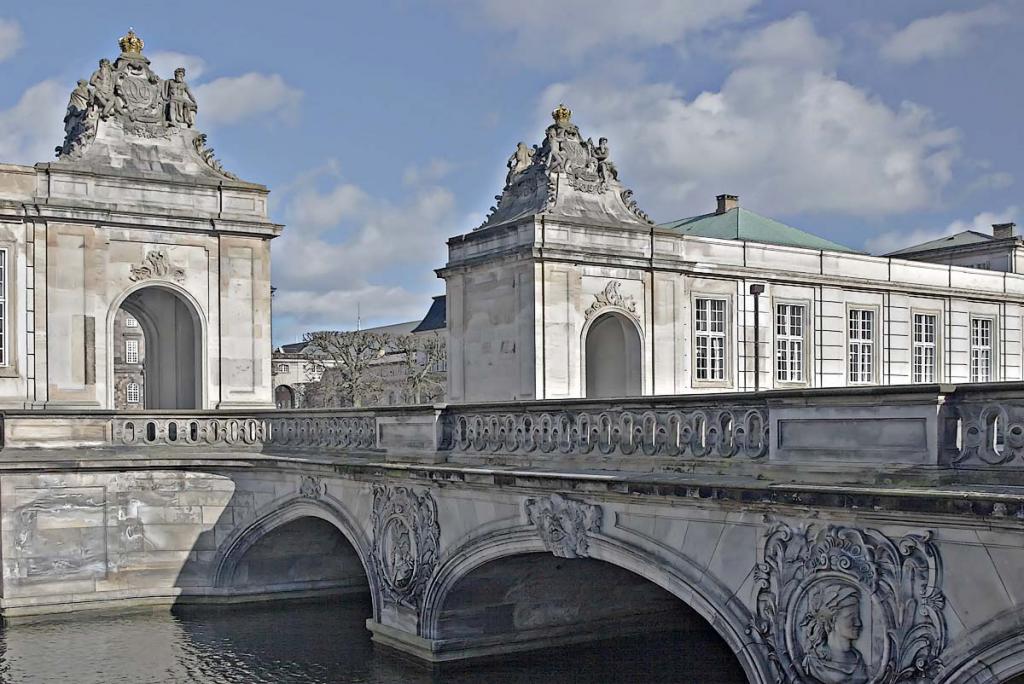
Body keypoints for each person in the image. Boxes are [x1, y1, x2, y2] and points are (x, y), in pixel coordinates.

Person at [800, 584, 869, 684]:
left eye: (858, 617)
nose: (858, 623)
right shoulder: (814, 662)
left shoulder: (859, 660)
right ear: (832, 621)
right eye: (851, 618)